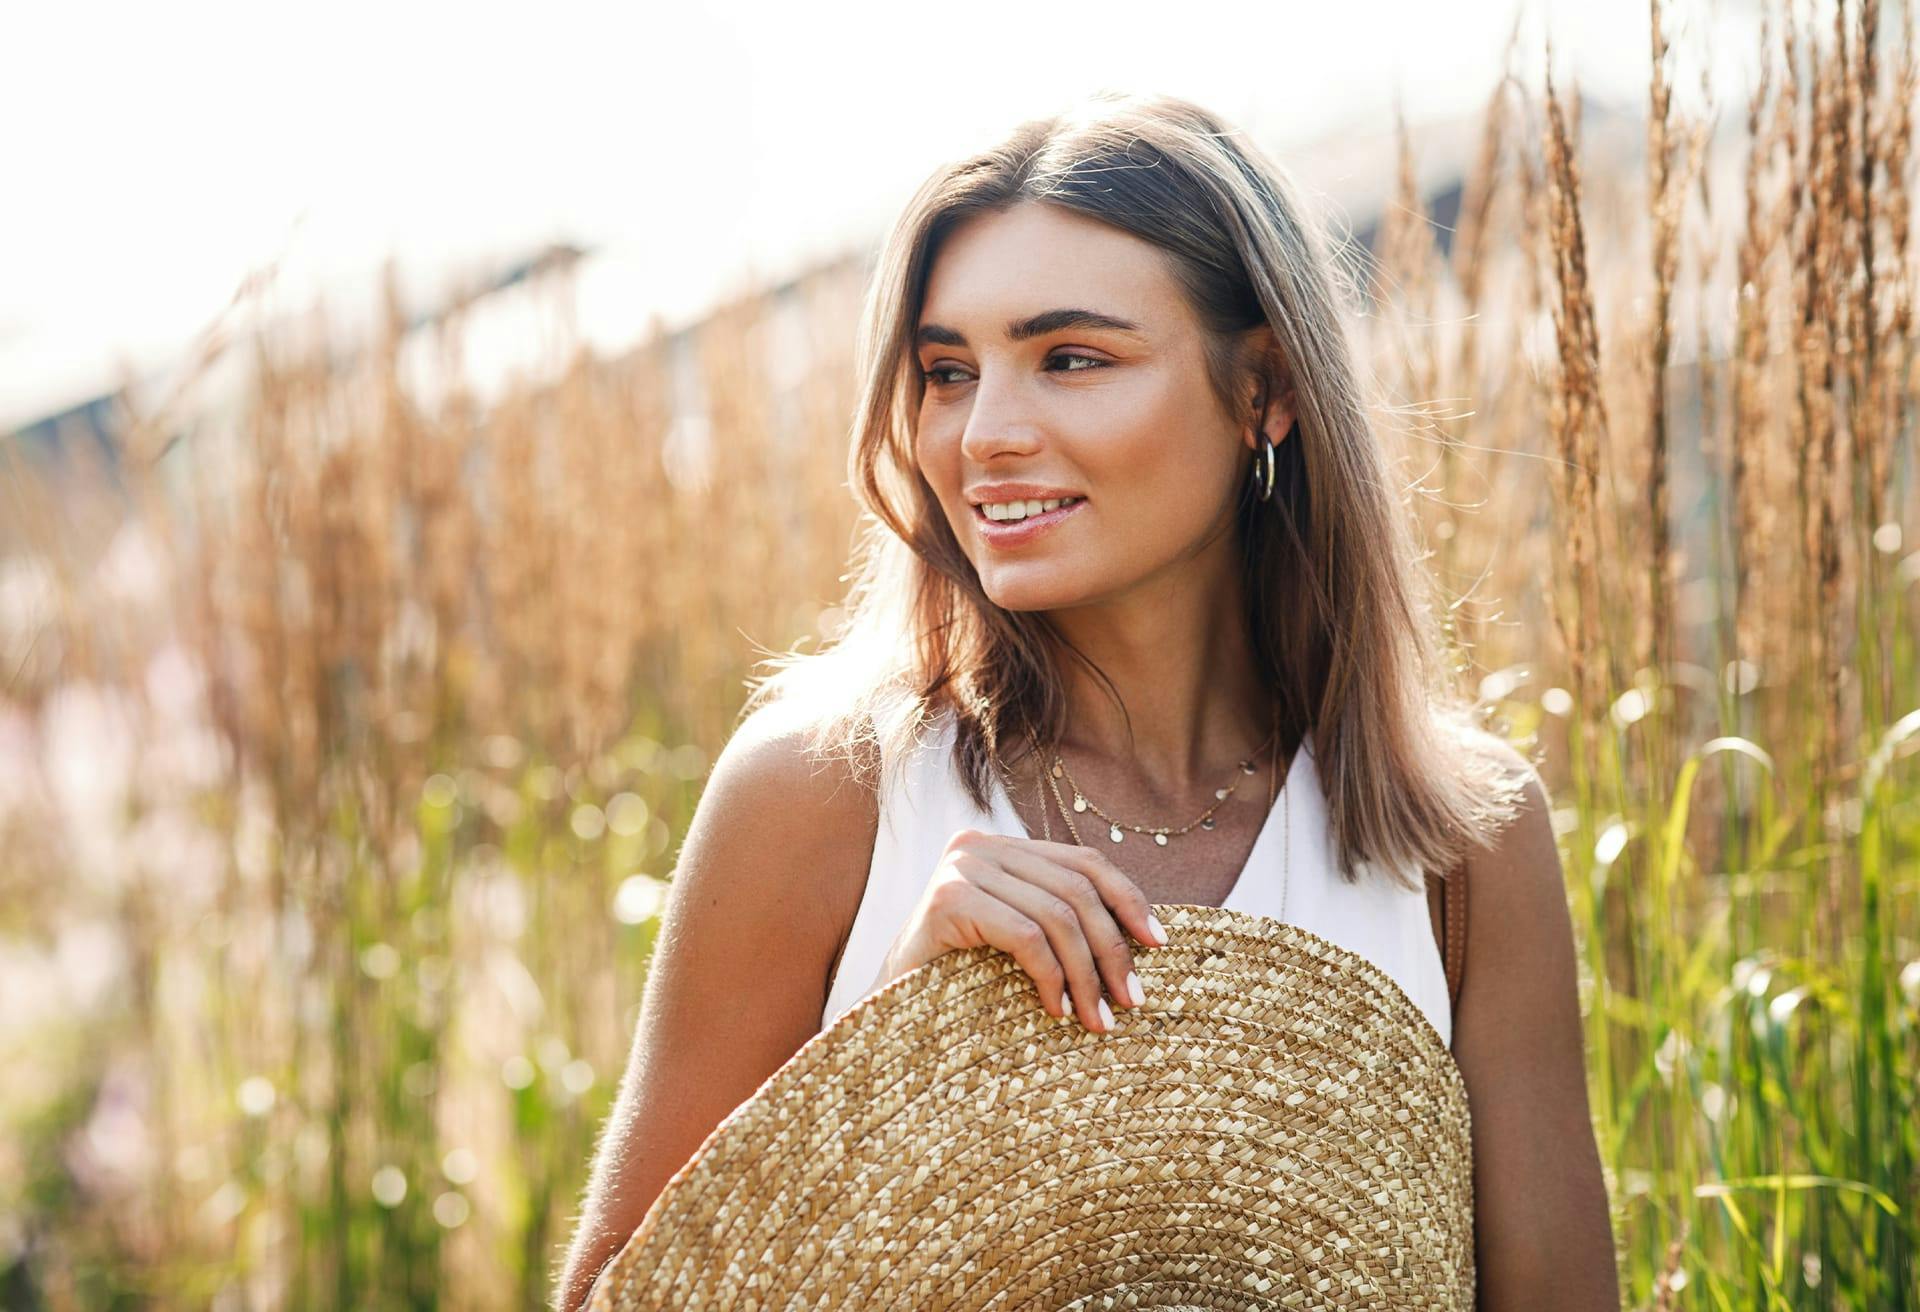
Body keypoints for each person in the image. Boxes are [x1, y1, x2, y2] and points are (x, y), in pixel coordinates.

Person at [553, 90, 1618, 1310]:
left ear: (1263, 387)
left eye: (1071, 358)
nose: (984, 433)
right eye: (946, 370)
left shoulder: (1460, 842)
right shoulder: (824, 791)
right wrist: (901, 1053)